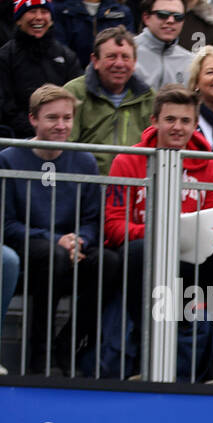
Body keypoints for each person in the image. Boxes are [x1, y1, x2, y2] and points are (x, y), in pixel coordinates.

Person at [105, 84, 213, 378]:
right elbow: (114, 225)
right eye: (170, 119)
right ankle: (142, 359)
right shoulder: (127, 161)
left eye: (185, 121)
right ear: (154, 121)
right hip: (147, 254)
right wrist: (163, 234)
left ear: (195, 125)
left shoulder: (209, 166)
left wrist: (188, 238)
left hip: (192, 254)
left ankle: (209, 366)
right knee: (135, 252)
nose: (177, 127)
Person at [0, 83, 123, 375]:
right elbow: (7, 225)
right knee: (52, 256)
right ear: (33, 119)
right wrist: (57, 240)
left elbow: (93, 218)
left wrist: (79, 240)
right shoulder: (9, 158)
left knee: (109, 261)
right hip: (31, 245)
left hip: (72, 247)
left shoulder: (84, 160)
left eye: (67, 118)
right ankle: (40, 354)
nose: (61, 125)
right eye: (52, 118)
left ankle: (67, 342)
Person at [65, 25, 154, 173]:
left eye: (125, 57)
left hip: (132, 188)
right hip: (86, 188)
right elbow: (64, 146)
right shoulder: (73, 93)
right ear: (95, 60)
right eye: (111, 56)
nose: (119, 64)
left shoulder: (148, 97)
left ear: (134, 62)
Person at [0, 0, 81, 138]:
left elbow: (77, 99)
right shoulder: (5, 56)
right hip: (18, 139)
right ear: (19, 20)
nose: (39, 17)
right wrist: (37, 130)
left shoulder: (66, 56)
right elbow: (5, 105)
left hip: (61, 135)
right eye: (32, 11)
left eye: (44, 12)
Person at [50, 0, 133, 68]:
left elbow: (128, 50)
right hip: (72, 75)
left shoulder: (122, 12)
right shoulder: (60, 11)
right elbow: (60, 51)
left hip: (112, 74)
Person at [133, 0, 191, 88]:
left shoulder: (191, 62)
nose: (171, 20)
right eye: (162, 14)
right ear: (146, 18)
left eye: (178, 17)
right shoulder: (126, 53)